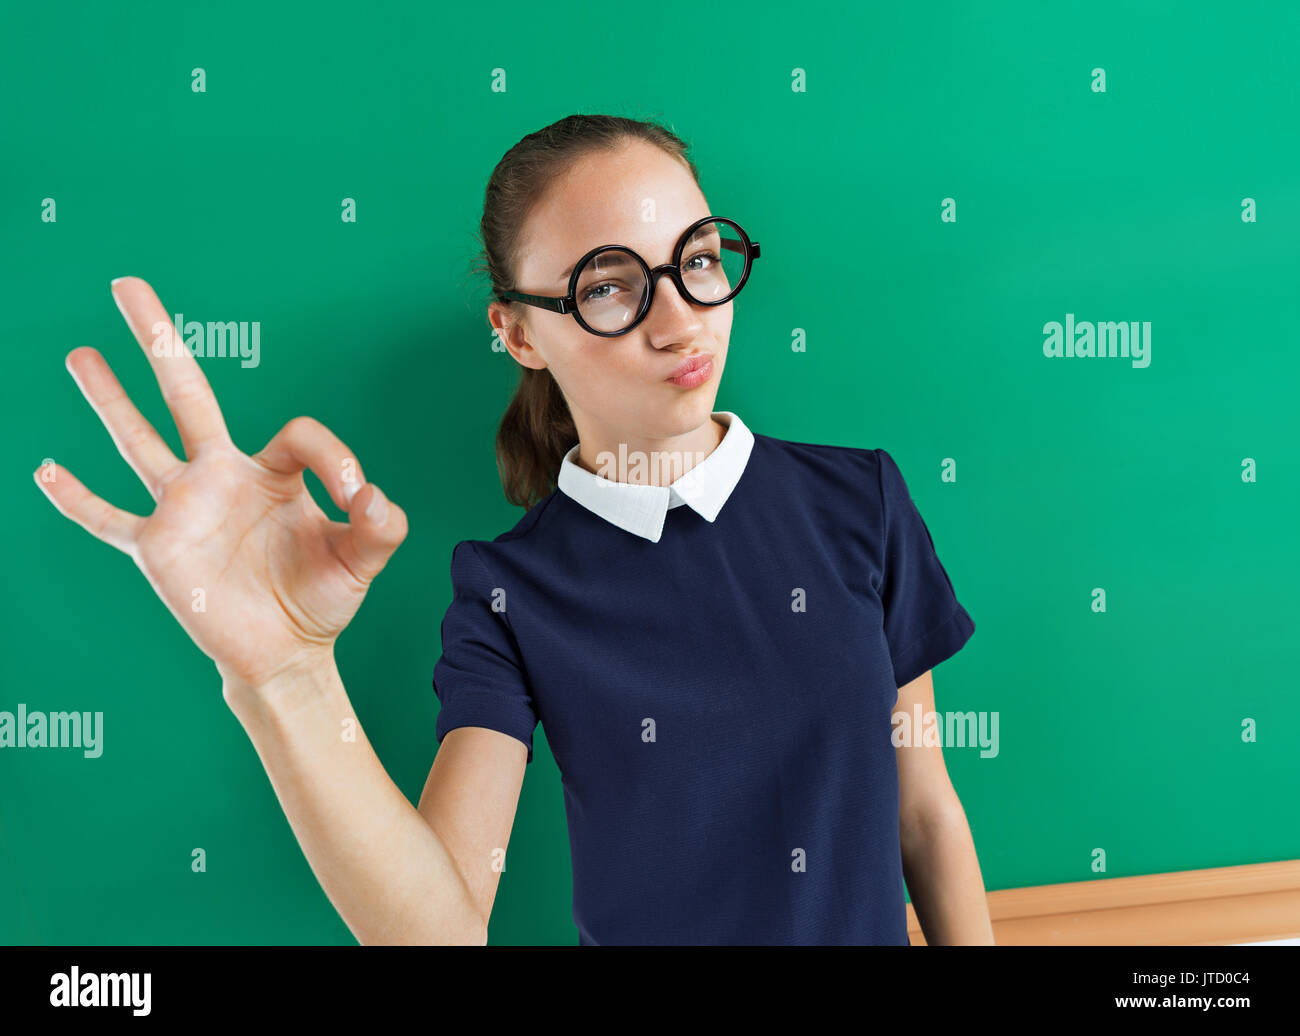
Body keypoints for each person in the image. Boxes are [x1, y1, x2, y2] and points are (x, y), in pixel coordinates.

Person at [33, 113, 993, 946]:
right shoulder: (506, 592)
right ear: (521, 333)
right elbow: (442, 926)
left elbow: (924, 813)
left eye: (697, 260)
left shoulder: (859, 502)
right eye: (609, 287)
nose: (678, 320)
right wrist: (284, 678)